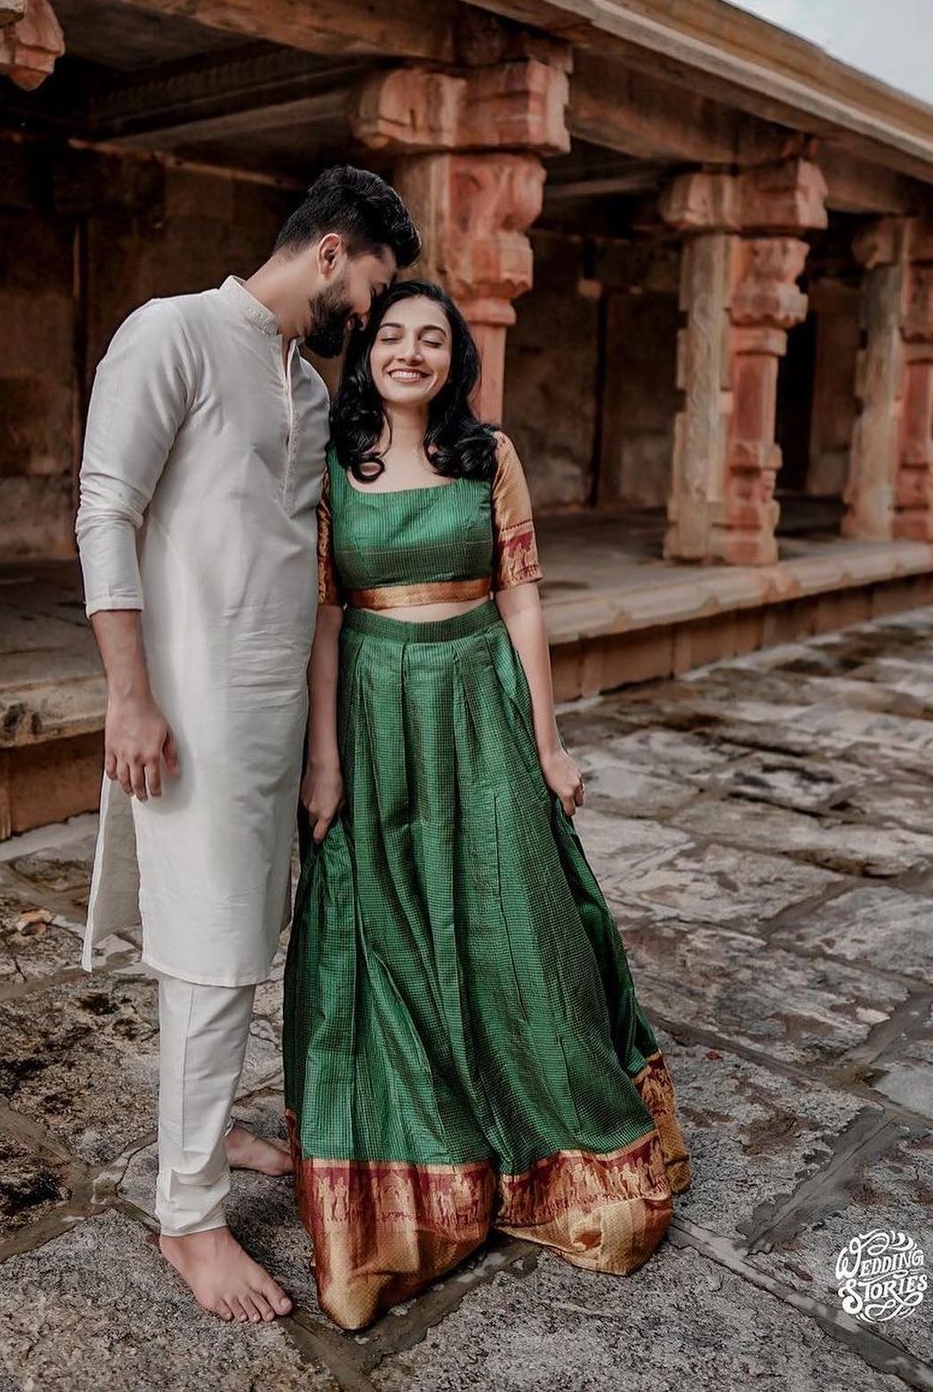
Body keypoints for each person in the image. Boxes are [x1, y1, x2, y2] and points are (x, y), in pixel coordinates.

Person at [282, 279, 692, 1332]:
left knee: (516, 922)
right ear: (366, 351)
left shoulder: (487, 456)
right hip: (375, 709)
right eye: (391, 336)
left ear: (453, 360)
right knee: (391, 935)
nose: (408, 353)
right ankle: (429, 1172)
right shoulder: (332, 462)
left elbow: (521, 599)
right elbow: (325, 620)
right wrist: (322, 761)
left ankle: (552, 1147)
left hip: (476, 704)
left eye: (430, 340)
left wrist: (548, 743)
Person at [74, 166, 420, 1325]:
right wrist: (130, 697)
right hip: (191, 710)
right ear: (330, 252)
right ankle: (189, 1220)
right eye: (370, 287)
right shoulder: (169, 334)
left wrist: (323, 750)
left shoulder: (308, 395)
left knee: (242, 941)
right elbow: (103, 511)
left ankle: (211, 1120)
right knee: (214, 956)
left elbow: (314, 587)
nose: (368, 317)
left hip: (277, 719)